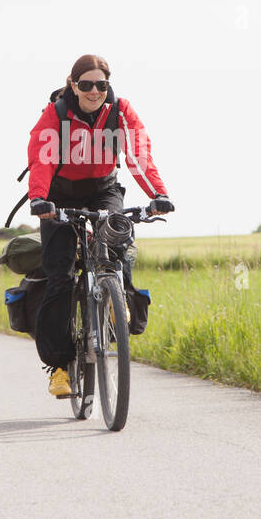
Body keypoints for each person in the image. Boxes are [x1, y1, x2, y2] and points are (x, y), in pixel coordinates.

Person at [26, 54, 174, 397]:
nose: (94, 91)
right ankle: (59, 367)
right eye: (86, 85)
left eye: (101, 85)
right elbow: (42, 159)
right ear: (73, 85)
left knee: (119, 241)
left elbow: (139, 153)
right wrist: (39, 199)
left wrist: (158, 193)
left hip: (103, 189)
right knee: (59, 275)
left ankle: (115, 294)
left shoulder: (120, 111)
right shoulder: (57, 114)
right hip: (59, 196)